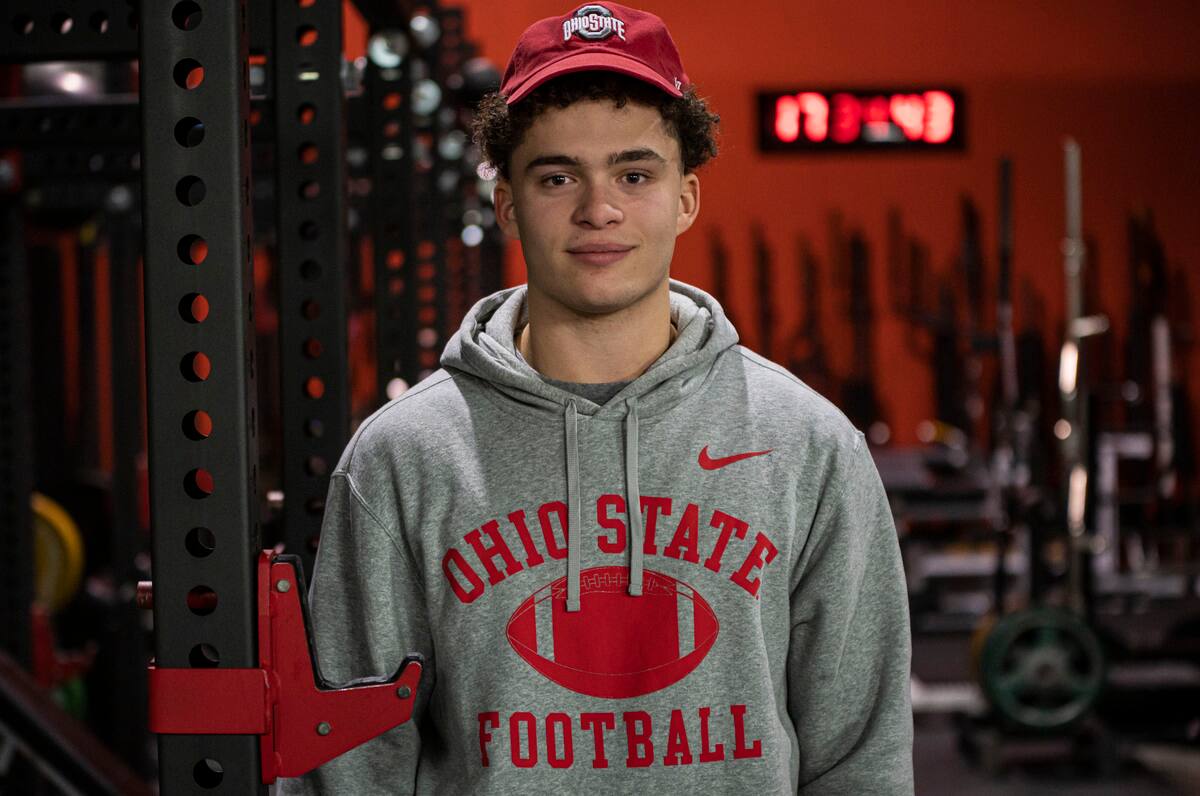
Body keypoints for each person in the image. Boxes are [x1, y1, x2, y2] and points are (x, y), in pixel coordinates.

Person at [279, 3, 912, 793]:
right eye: (557, 177)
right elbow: (349, 767)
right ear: (507, 203)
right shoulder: (403, 457)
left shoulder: (806, 444)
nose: (598, 208)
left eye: (635, 174)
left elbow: (862, 755)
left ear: (686, 197)